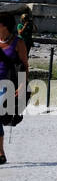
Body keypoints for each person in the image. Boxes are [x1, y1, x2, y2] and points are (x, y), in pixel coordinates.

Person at [0, 12, 29, 166]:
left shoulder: (18, 43)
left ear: (4, 25)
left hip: (7, 84)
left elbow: (24, 65)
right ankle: (1, 153)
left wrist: (22, 84)